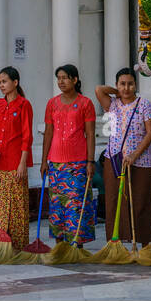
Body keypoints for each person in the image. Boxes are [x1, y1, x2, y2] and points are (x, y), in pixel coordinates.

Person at [94, 68, 151, 246]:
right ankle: (116, 243)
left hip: (141, 161)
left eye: (130, 84)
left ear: (136, 85)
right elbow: (99, 89)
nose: (127, 87)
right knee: (114, 201)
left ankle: (144, 244)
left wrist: (134, 155)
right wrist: (118, 93)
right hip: (114, 160)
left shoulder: (144, 104)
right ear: (116, 85)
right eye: (122, 84)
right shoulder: (113, 104)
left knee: (140, 201)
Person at [42, 64, 97, 246]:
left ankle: (77, 244)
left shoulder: (85, 103)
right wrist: (44, 161)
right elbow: (48, 133)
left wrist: (90, 161)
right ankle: (60, 246)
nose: (61, 81)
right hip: (56, 162)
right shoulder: (52, 103)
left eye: (65, 77)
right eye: (58, 78)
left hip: (78, 163)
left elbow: (90, 134)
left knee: (76, 205)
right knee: (57, 205)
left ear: (75, 80)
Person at [0, 66, 32, 247]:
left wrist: (22, 163)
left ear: (15, 83)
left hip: (16, 162)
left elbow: (27, 136)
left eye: (4, 81)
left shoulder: (24, 104)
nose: (1, 85)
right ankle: (0, 244)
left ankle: (17, 245)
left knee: (16, 205)